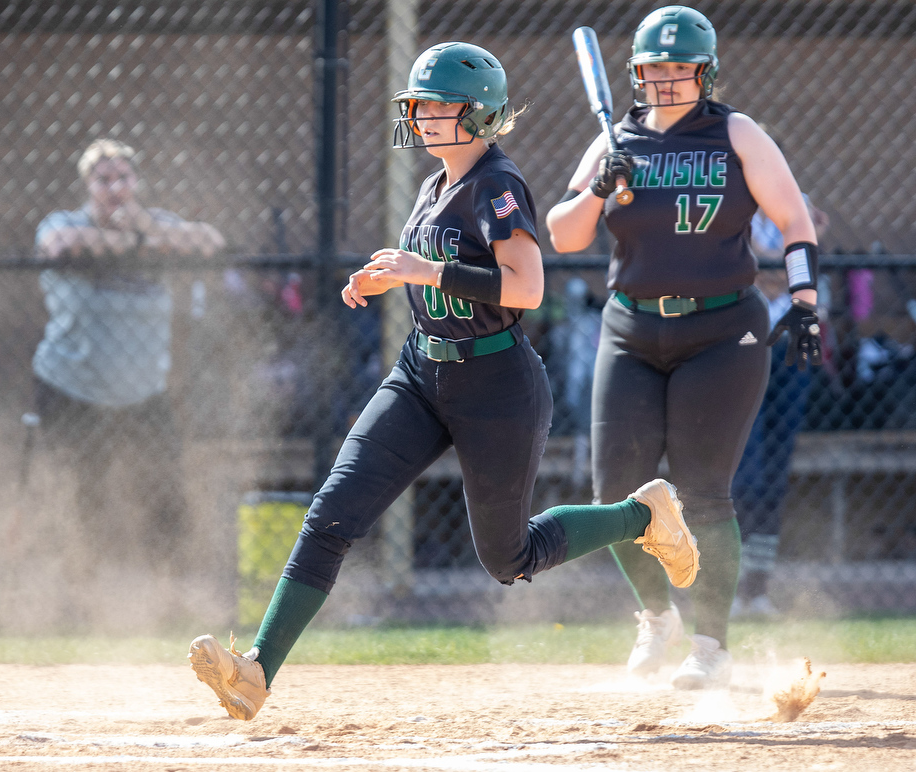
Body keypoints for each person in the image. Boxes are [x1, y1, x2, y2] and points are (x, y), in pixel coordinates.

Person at [187, 41, 699, 721]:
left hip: (497, 386)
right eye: (419, 103)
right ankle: (255, 672)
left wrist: (423, 272)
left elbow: (528, 287)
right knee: (331, 514)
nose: (424, 114)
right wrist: (383, 276)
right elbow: (428, 266)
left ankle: (645, 515)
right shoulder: (433, 186)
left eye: (440, 104)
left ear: (480, 113)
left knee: (510, 558)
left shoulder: (498, 184)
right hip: (421, 374)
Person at [546, 5, 822, 689]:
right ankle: (655, 616)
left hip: (724, 330)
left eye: (681, 69)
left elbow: (793, 219)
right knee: (617, 491)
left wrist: (807, 301)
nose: (666, 80)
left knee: (703, 491)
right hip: (631, 328)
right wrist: (599, 186)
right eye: (653, 69)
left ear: (706, 73)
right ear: (636, 75)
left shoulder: (736, 133)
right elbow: (563, 234)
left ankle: (710, 647)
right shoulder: (615, 139)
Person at [32, 138, 225, 569]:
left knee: (165, 494)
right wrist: (137, 243)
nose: (115, 187)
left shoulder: (155, 223)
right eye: (104, 180)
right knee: (85, 493)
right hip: (71, 385)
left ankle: (170, 587)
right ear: (87, 185)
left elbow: (208, 242)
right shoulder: (63, 222)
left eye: (123, 178)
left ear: (137, 182)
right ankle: (82, 587)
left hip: (143, 392)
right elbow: (60, 245)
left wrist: (143, 228)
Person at [730, 194, 829, 618]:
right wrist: (785, 259)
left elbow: (796, 270)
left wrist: (783, 260)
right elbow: (762, 270)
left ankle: (757, 589)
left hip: (791, 348)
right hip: (747, 345)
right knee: (745, 475)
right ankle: (730, 587)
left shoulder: (797, 206)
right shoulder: (739, 206)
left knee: (774, 476)